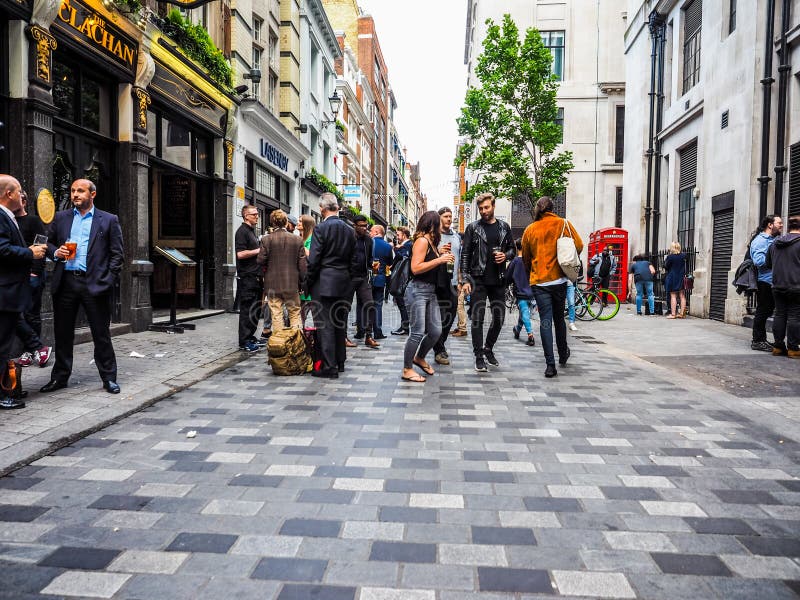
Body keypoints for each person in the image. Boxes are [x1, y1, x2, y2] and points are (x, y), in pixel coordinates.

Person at [40, 178, 123, 395]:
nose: (75, 194)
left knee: (101, 333)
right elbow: (46, 243)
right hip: (66, 281)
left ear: (92, 194)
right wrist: (55, 252)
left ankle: (109, 378)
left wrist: (107, 279)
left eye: (80, 191)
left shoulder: (108, 220)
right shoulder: (62, 218)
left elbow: (117, 255)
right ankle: (59, 378)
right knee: (63, 333)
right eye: (73, 191)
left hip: (94, 283)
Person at [521, 196, 583, 378]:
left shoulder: (530, 229)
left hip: (540, 282)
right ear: (552, 208)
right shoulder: (563, 224)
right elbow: (579, 245)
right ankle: (563, 354)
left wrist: (531, 271)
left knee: (545, 321)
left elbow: (525, 257)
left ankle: (550, 365)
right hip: (560, 280)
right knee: (559, 319)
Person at [0, 175, 46, 409]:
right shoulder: (1, 216)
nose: (22, 196)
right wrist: (30, 253)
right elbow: (3, 250)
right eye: (19, 192)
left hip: (10, 292)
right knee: (2, 345)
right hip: (5, 293)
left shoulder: (9, 217)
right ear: (9, 194)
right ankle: (2, 395)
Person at [460, 192, 515, 372]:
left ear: (493, 206)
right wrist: (465, 278)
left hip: (498, 280)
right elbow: (465, 254)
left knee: (499, 319)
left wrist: (505, 255)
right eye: (481, 208)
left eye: (486, 207)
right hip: (478, 280)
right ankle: (478, 356)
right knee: (478, 318)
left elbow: (513, 251)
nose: (484, 211)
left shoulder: (504, 227)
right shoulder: (473, 228)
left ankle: (488, 347)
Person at [307, 193, 355, 378]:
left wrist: (308, 283)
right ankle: (340, 361)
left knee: (325, 325)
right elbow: (354, 260)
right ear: (337, 207)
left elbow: (314, 260)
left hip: (324, 282)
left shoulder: (321, 228)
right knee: (339, 324)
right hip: (344, 283)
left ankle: (329, 366)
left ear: (322, 208)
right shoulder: (349, 230)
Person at [401, 211, 454, 383]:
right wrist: (439, 260)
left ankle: (420, 357)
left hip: (430, 292)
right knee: (416, 332)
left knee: (436, 331)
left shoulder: (430, 242)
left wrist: (438, 253)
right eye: (439, 222)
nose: (442, 225)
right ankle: (407, 368)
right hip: (417, 291)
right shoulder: (422, 241)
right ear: (432, 224)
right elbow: (416, 268)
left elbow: (427, 261)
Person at [13, 190, 52, 367]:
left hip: (31, 275)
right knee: (16, 314)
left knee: (32, 314)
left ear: (25, 201)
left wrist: (35, 272)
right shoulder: (8, 221)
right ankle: (36, 348)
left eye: (21, 198)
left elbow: (41, 246)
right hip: (14, 276)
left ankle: (29, 352)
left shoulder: (33, 220)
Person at [257, 210, 306, 332]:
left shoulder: (266, 239)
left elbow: (260, 260)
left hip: (272, 284)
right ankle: (297, 342)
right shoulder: (297, 240)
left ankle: (279, 344)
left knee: (276, 314)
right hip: (292, 283)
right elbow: (302, 266)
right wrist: (302, 283)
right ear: (286, 222)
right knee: (294, 313)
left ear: (273, 223)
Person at [766, 215, 800, 358]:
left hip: (777, 285)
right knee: (794, 316)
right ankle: (793, 348)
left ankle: (778, 346)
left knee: (779, 314)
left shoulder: (775, 243)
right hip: (796, 285)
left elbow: (768, 264)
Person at [432, 206, 462, 365]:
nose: (449, 219)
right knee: (437, 318)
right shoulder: (433, 236)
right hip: (437, 282)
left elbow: (458, 261)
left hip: (453, 283)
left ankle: (439, 344)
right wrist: (438, 250)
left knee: (450, 316)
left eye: (450, 216)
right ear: (439, 218)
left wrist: (460, 280)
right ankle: (439, 349)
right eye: (445, 216)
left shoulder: (457, 237)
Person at [750, 214, 784, 350]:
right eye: (779, 223)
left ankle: (761, 339)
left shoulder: (772, 239)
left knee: (767, 310)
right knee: (763, 311)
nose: (781, 225)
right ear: (770, 225)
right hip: (765, 281)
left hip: (773, 281)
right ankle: (757, 341)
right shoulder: (760, 241)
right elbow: (758, 261)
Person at [234, 205, 263, 352]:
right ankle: (244, 341)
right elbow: (240, 254)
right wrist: (259, 250)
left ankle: (251, 337)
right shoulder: (242, 232)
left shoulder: (251, 231)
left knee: (255, 310)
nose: (257, 216)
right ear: (246, 216)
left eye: (257, 214)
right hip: (247, 277)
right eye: (254, 214)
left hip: (255, 277)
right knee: (247, 310)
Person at [350, 215, 380, 349]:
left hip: (363, 277)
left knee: (370, 304)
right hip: (350, 277)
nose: (364, 228)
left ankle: (369, 336)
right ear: (355, 225)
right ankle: (343, 337)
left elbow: (369, 258)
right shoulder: (349, 237)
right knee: (345, 306)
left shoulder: (368, 239)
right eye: (361, 225)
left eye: (365, 225)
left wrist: (372, 266)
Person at [504, 238, 536, 346]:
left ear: (517, 248)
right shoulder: (532, 261)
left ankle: (530, 335)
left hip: (521, 293)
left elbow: (507, 277)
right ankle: (517, 330)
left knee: (525, 314)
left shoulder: (515, 262)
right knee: (524, 313)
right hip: (532, 293)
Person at [370, 224, 393, 340]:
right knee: (378, 305)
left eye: (371, 230)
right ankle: (377, 331)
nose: (369, 232)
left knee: (364, 304)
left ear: (376, 232)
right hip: (380, 279)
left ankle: (363, 330)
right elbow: (389, 263)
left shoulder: (368, 243)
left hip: (367, 279)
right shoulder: (388, 246)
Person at [390, 226, 413, 335]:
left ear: (404, 234)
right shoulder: (405, 245)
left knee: (402, 303)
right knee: (401, 303)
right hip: (401, 277)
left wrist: (396, 249)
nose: (397, 237)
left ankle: (405, 327)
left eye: (398, 235)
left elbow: (405, 258)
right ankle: (404, 326)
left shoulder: (408, 245)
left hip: (403, 278)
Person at [298, 214, 315, 325]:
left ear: (306, 225)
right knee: (300, 313)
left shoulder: (311, 239)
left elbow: (311, 255)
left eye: (300, 221)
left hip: (309, 279)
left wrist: (298, 245)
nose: (297, 223)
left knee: (309, 310)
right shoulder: (301, 238)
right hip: (301, 279)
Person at [663, 241, 687, 319]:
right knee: (682, 295)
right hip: (681, 277)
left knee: (673, 295)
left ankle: (673, 314)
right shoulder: (684, 256)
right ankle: (681, 313)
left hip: (672, 277)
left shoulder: (670, 257)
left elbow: (666, 267)